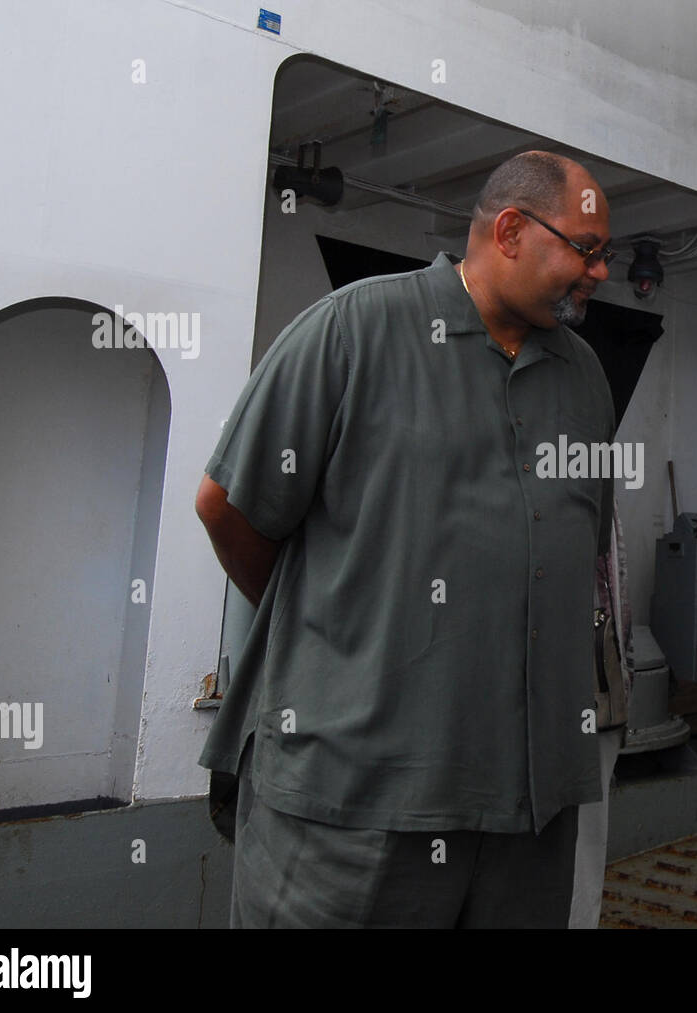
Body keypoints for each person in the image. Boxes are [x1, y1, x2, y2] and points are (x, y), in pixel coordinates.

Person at [194, 150, 617, 928]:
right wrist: (341, 630)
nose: (598, 273)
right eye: (585, 250)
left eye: (605, 255)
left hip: (531, 810)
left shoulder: (583, 376)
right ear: (513, 231)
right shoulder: (353, 330)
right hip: (357, 802)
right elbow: (230, 507)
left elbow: (578, 545)